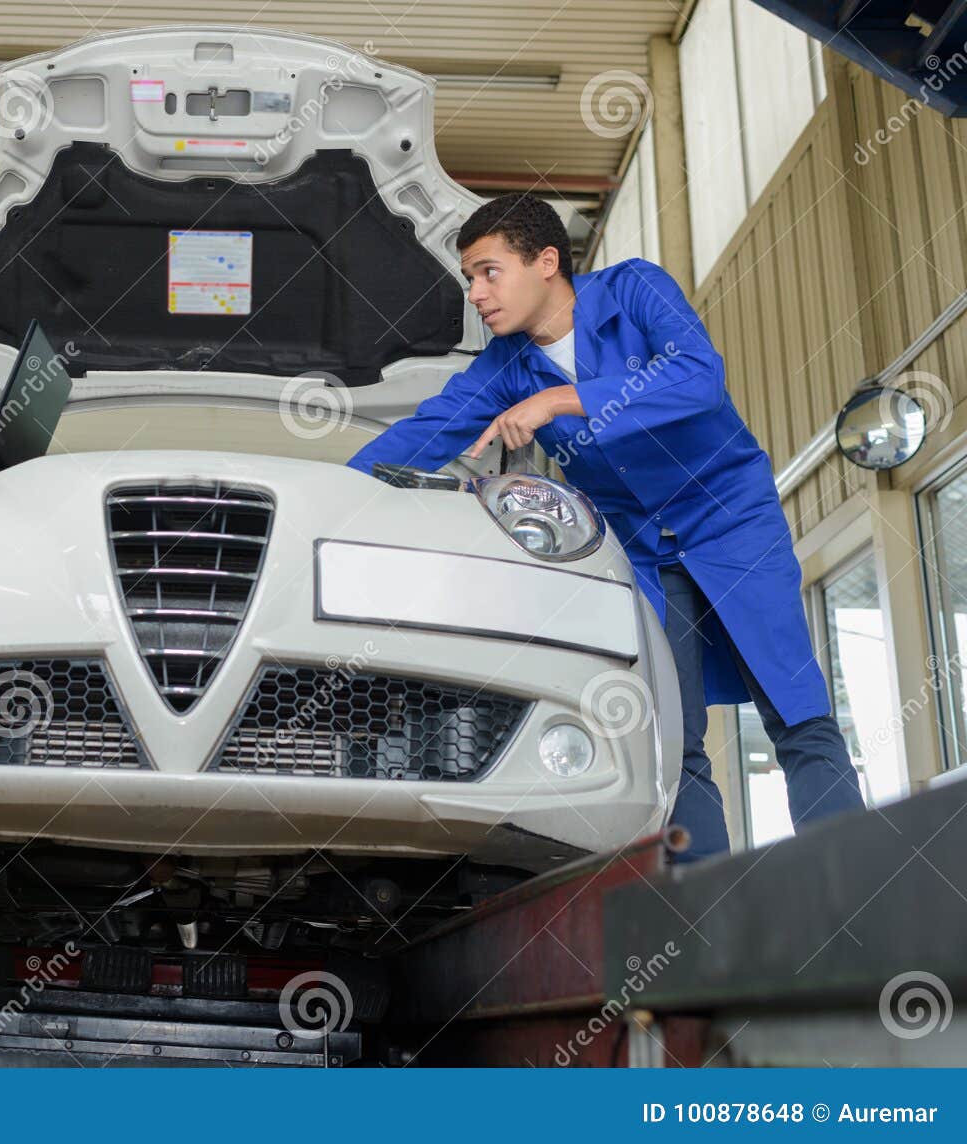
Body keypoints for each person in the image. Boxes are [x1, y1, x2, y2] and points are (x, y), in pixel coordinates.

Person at [347, 192, 865, 862]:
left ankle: (852, 885)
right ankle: (706, 908)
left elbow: (697, 377)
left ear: (546, 262)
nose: (475, 294)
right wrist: (334, 492)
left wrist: (559, 400)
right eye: (469, 278)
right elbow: (423, 433)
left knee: (797, 711)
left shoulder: (634, 290)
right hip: (640, 551)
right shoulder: (503, 367)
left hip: (730, 520)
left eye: (488, 272)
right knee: (671, 738)